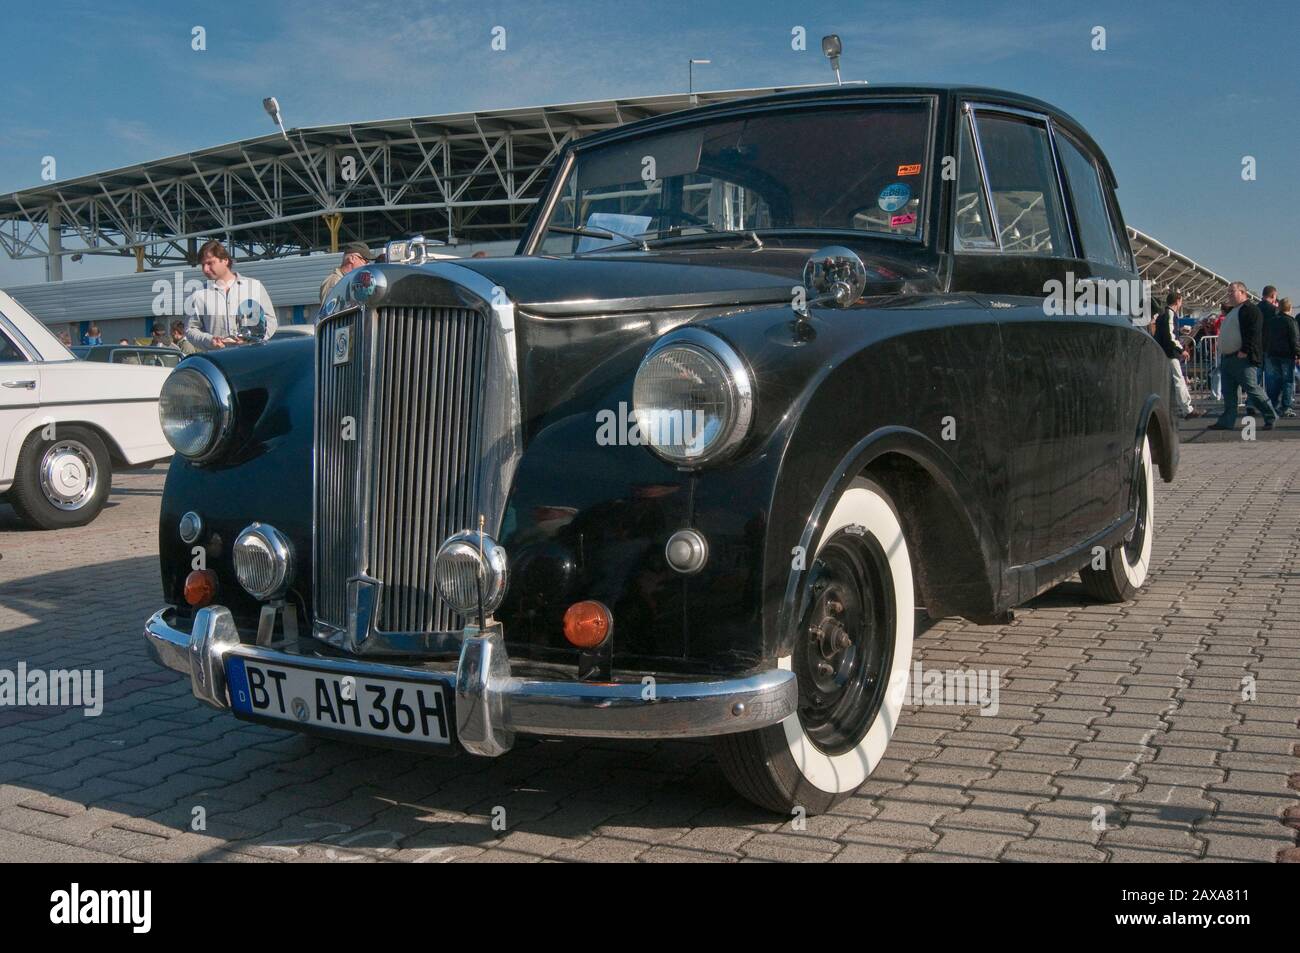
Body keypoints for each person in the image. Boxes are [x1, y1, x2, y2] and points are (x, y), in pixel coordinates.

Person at [184, 240, 278, 351]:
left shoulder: (254, 287)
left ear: (225, 260)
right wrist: (209, 340)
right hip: (219, 360)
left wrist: (252, 339)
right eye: (203, 265)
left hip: (252, 356)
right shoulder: (198, 295)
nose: (205, 269)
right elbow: (191, 329)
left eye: (210, 263)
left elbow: (271, 321)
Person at [1211, 281, 1277, 430]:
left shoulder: (1250, 310)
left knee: (1252, 389)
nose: (1228, 295)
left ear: (1242, 292)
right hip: (1228, 358)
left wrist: (1245, 350)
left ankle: (1270, 415)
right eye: (1228, 292)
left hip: (1242, 358)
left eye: (1231, 292)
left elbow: (1254, 332)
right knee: (1228, 392)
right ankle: (1226, 421)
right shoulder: (1234, 310)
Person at [1154, 291, 1201, 418]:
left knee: (1168, 381)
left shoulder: (1163, 314)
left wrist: (1179, 331)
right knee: (1179, 380)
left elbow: (1166, 333)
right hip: (1169, 353)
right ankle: (1187, 409)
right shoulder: (1170, 314)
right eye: (1181, 301)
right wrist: (1181, 350)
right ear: (1177, 301)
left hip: (1162, 351)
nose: (1181, 304)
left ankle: (1172, 408)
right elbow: (1170, 336)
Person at [1265, 297, 1300, 417]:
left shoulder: (1272, 320)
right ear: (1290, 308)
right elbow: (1294, 340)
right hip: (1286, 355)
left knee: (1276, 381)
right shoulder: (1291, 321)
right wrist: (1298, 354)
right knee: (1288, 381)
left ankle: (1274, 405)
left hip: (1272, 354)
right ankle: (1286, 406)